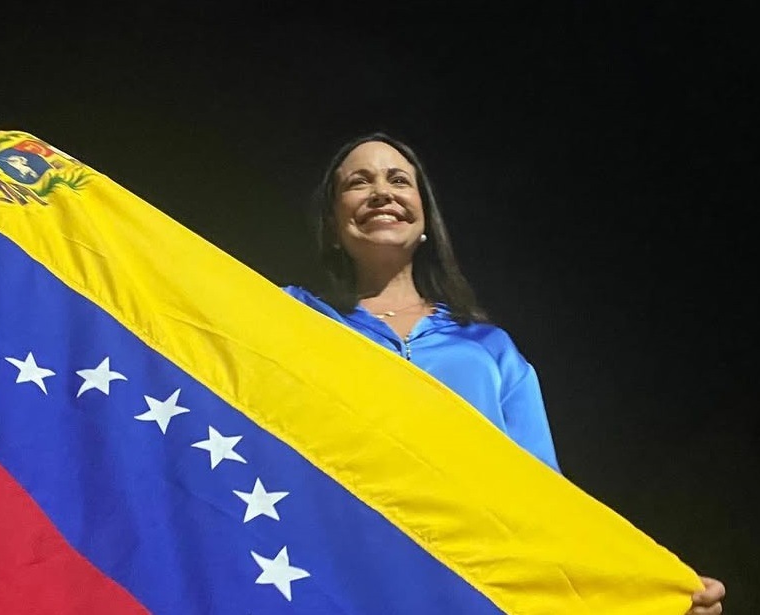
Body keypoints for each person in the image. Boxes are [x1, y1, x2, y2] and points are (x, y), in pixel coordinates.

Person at [284, 133, 725, 614]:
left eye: (398, 180)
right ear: (331, 223)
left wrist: (653, 591)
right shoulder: (295, 320)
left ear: (425, 216)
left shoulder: (489, 348)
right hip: (345, 582)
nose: (381, 192)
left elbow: (545, 497)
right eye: (358, 182)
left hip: (474, 587)